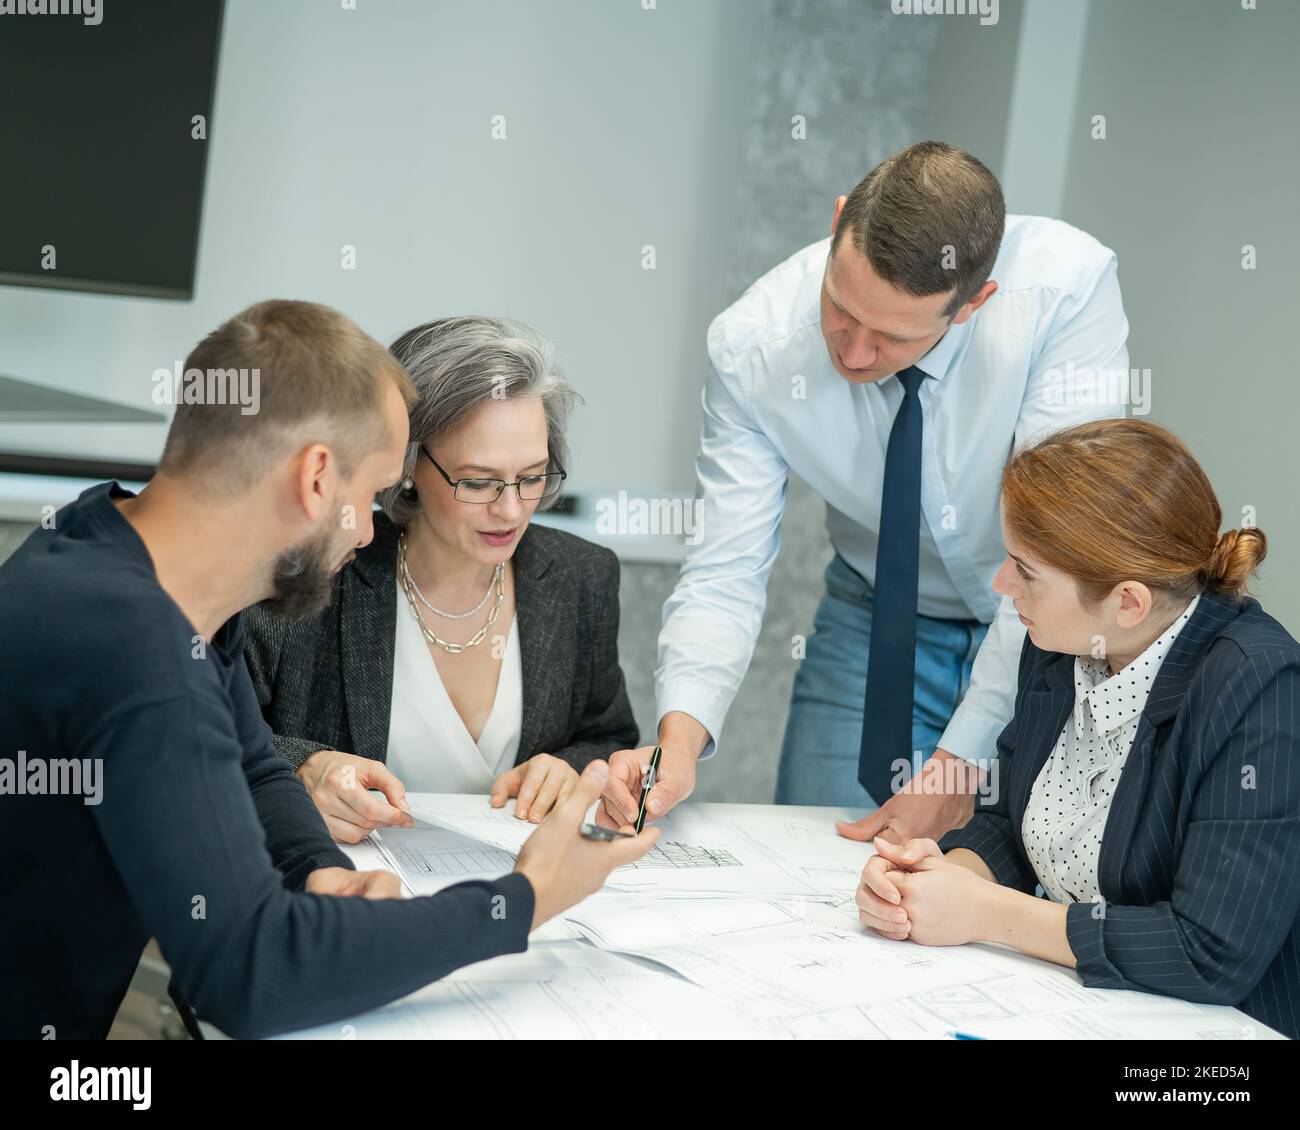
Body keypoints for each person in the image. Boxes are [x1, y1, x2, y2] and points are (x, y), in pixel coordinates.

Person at [0, 300, 656, 1040]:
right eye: (371, 494)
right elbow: (253, 976)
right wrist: (524, 898)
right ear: (317, 479)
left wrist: (319, 870)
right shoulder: (138, 652)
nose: (375, 526)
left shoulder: (113, 545)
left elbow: (253, 764)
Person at [599, 140, 1131, 845]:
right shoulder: (752, 345)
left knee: (1015, 869)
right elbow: (724, 572)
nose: (852, 355)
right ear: (840, 219)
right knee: (820, 856)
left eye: (892, 338)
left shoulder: (1066, 290)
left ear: (974, 301)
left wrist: (956, 768)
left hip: (1049, 618)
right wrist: (680, 741)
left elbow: (1060, 550)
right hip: (875, 616)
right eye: (840, 311)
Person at [855, 418, 1299, 1039]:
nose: (1001, 585)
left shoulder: (1259, 688)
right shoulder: (1059, 642)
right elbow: (1011, 820)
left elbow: (1209, 951)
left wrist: (988, 915)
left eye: (1024, 571)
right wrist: (938, 880)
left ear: (1127, 602)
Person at [244, 316, 638, 842]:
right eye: (478, 482)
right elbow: (206, 733)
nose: (511, 510)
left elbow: (607, 738)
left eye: (532, 476)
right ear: (404, 461)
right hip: (344, 894)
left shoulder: (580, 576)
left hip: (523, 894)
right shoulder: (319, 570)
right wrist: (302, 769)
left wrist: (571, 769)